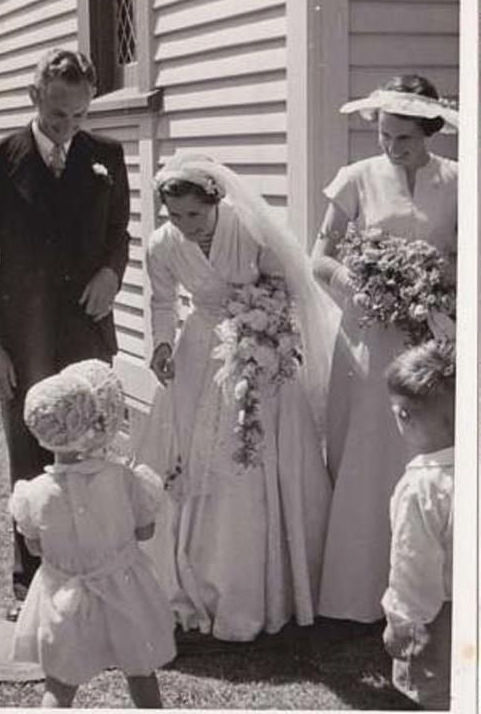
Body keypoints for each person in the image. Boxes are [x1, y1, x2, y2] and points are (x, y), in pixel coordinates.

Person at [135, 152, 333, 642]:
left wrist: (258, 328)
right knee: (190, 449)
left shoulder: (248, 229)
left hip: (254, 345)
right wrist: (161, 344)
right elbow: (161, 301)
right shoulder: (162, 245)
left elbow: (285, 285)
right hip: (200, 344)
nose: (185, 225)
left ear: (215, 200)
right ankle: (192, 568)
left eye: (194, 215)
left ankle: (266, 580)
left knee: (252, 449)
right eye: (175, 216)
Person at [0, 48, 130, 617]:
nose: (69, 128)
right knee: (29, 446)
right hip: (23, 331)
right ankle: (31, 582)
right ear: (34, 97)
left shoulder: (106, 155)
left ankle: (89, 569)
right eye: (59, 114)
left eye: (80, 116)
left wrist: (112, 274)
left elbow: (118, 234)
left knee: (88, 445)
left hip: (86, 328)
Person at [311, 75, 458, 622]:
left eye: (404, 138)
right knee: (368, 453)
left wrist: (436, 289)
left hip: (433, 331)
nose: (392, 147)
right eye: (383, 135)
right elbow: (319, 259)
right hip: (370, 335)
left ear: (429, 132)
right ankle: (356, 597)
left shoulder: (459, 181)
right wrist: (366, 287)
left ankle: (428, 593)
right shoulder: (355, 178)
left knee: (427, 446)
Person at [9, 359, 176, 708]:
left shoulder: (33, 493)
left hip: (63, 596)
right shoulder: (124, 479)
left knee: (59, 685)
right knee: (140, 672)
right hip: (124, 591)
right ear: (95, 421)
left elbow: (35, 547)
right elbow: (145, 531)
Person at [382, 339, 455, 710]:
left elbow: (413, 565)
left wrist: (401, 622)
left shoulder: (420, 486)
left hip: (437, 622)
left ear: (404, 416)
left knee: (441, 698)